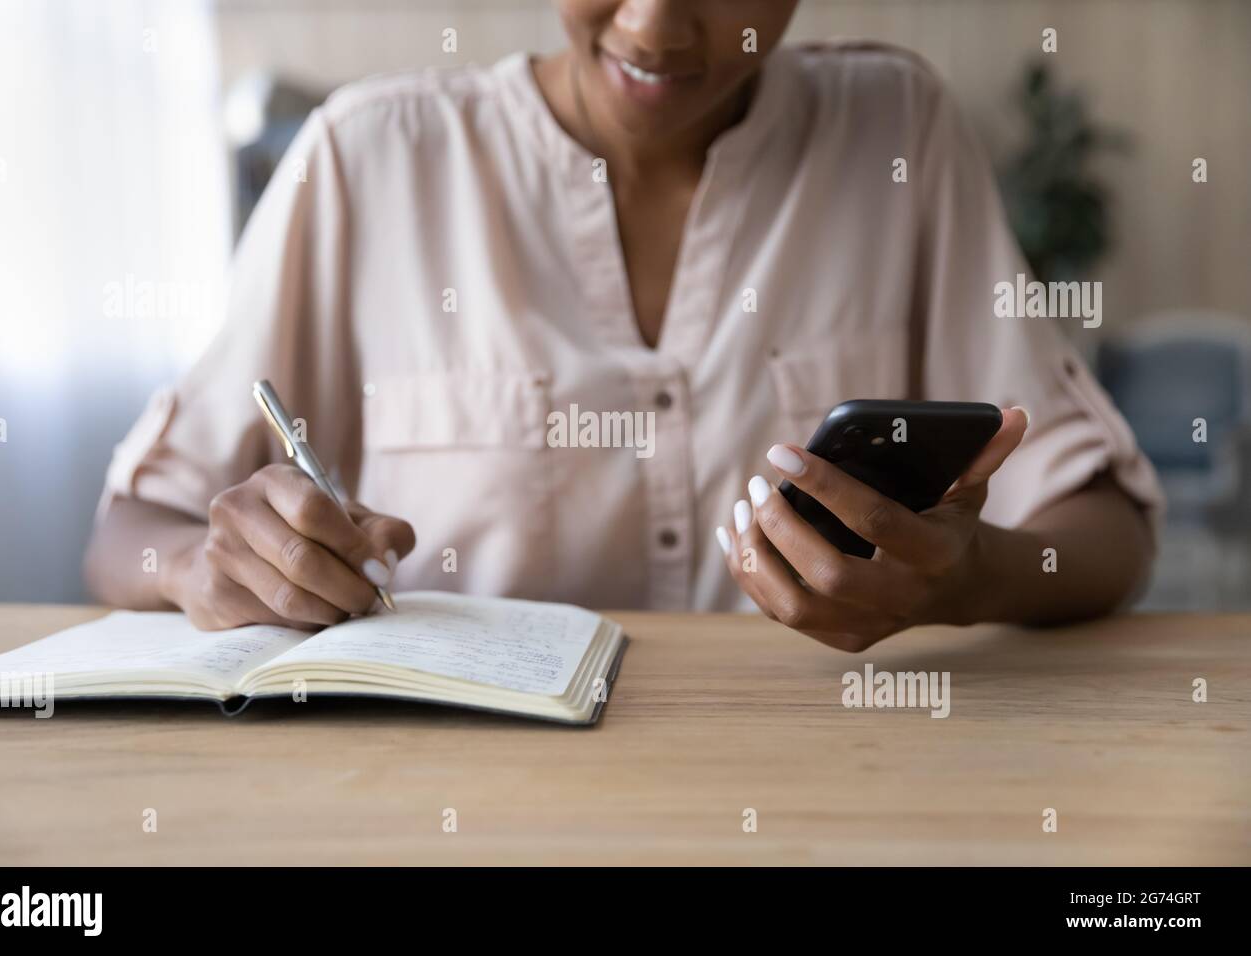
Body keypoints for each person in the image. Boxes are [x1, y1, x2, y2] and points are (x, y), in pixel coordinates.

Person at [84, 0, 1163, 652]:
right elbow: (130, 530)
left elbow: (1104, 524)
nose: (652, 25)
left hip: (824, 807)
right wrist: (202, 565)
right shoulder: (366, 160)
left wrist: (973, 579)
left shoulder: (898, 133)